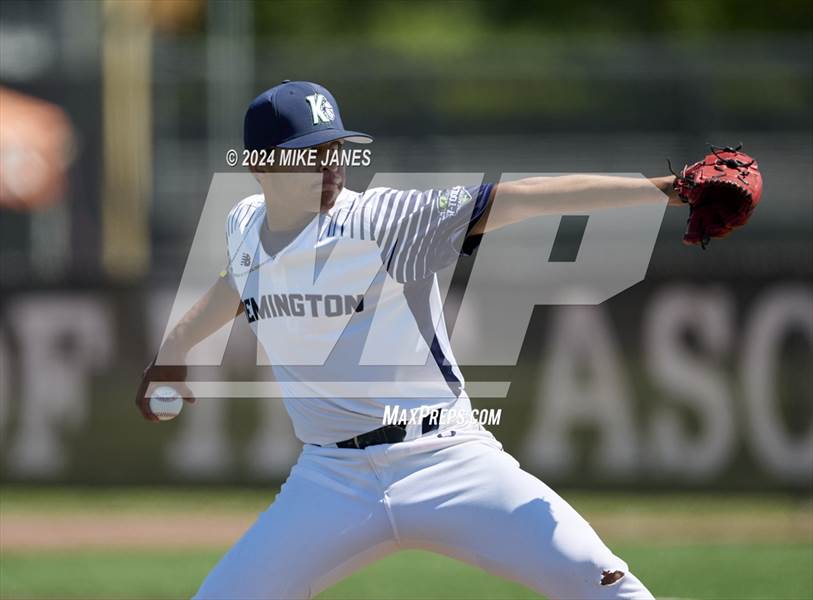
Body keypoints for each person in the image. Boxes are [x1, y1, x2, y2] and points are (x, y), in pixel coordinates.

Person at [137, 80, 685, 599]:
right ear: (260, 165)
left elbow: (525, 198)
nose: (329, 165)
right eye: (309, 153)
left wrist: (667, 190)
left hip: (447, 458)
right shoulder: (243, 224)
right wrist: (174, 352)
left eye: (335, 148)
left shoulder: (382, 219)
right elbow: (235, 283)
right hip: (330, 479)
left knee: (604, 581)